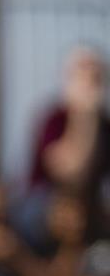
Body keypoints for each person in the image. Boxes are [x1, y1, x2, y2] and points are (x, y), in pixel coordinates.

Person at [25, 45, 110, 232]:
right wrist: (85, 119)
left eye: (95, 77)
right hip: (45, 203)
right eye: (82, 73)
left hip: (89, 205)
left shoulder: (104, 124)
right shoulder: (53, 119)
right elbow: (70, 173)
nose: (89, 82)